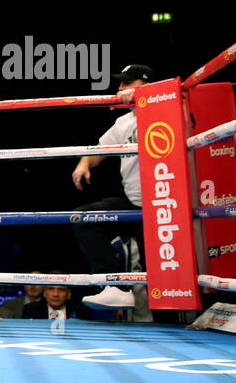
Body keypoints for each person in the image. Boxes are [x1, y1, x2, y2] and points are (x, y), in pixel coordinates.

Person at [71, 64, 151, 310]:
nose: (120, 89)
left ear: (145, 83)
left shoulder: (171, 107)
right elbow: (99, 150)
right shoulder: (123, 122)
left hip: (164, 202)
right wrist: (84, 164)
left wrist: (145, 96)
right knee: (84, 218)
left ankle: (181, 323)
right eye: (120, 83)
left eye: (127, 83)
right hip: (133, 203)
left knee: (161, 272)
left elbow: (176, 94)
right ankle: (116, 287)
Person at [22, 284, 91, 321]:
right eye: (51, 289)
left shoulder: (81, 311)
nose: (56, 294)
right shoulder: (31, 309)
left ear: (69, 294)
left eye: (61, 290)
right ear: (44, 293)